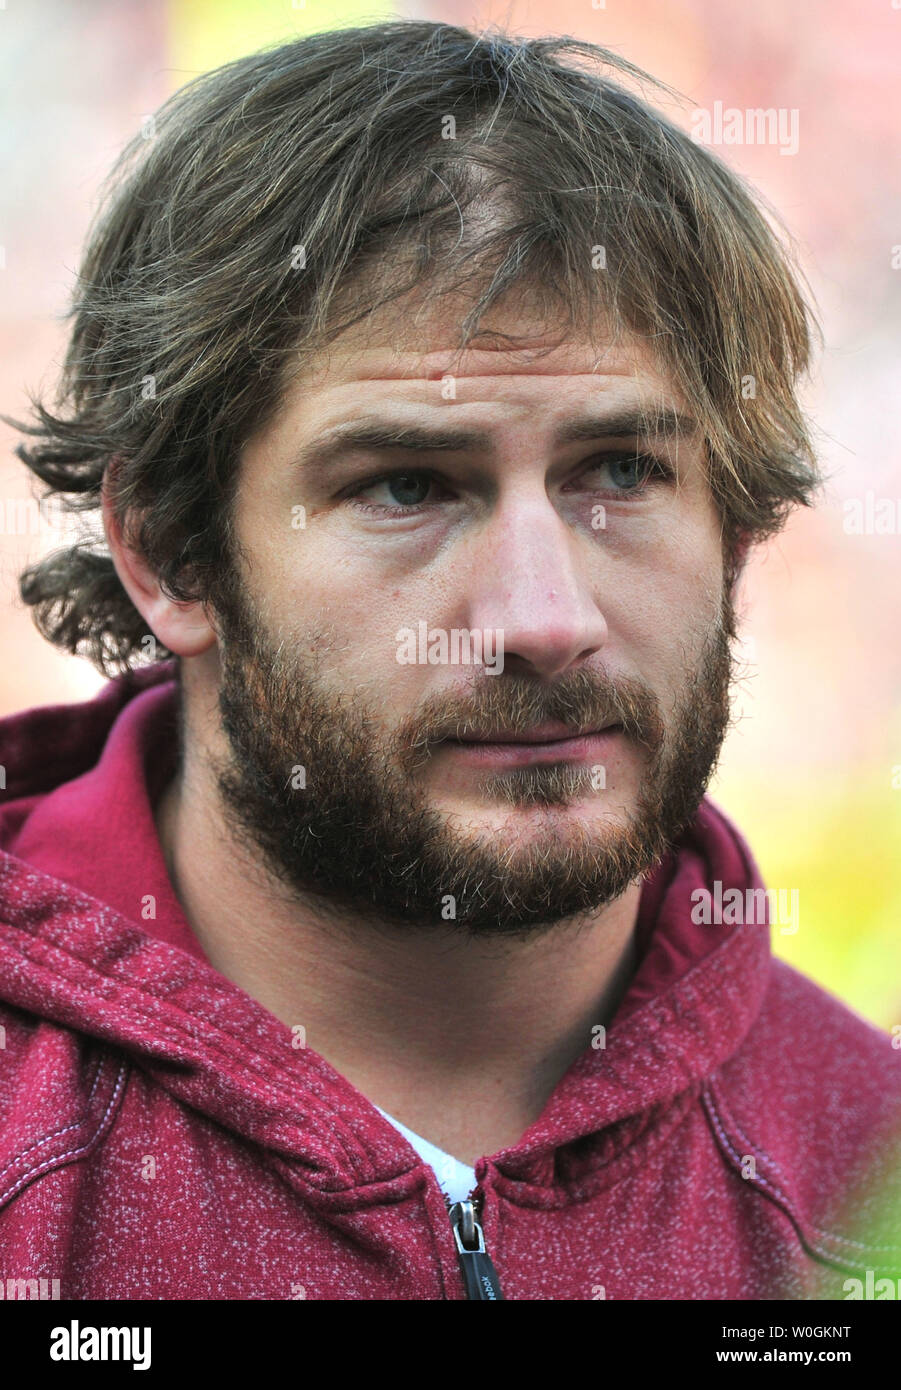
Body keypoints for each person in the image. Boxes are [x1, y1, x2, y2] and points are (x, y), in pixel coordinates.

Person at [0, 20, 898, 1302]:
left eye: (621, 472)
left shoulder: (868, 1168)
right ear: (169, 555)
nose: (540, 616)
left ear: (738, 531)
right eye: (408, 483)